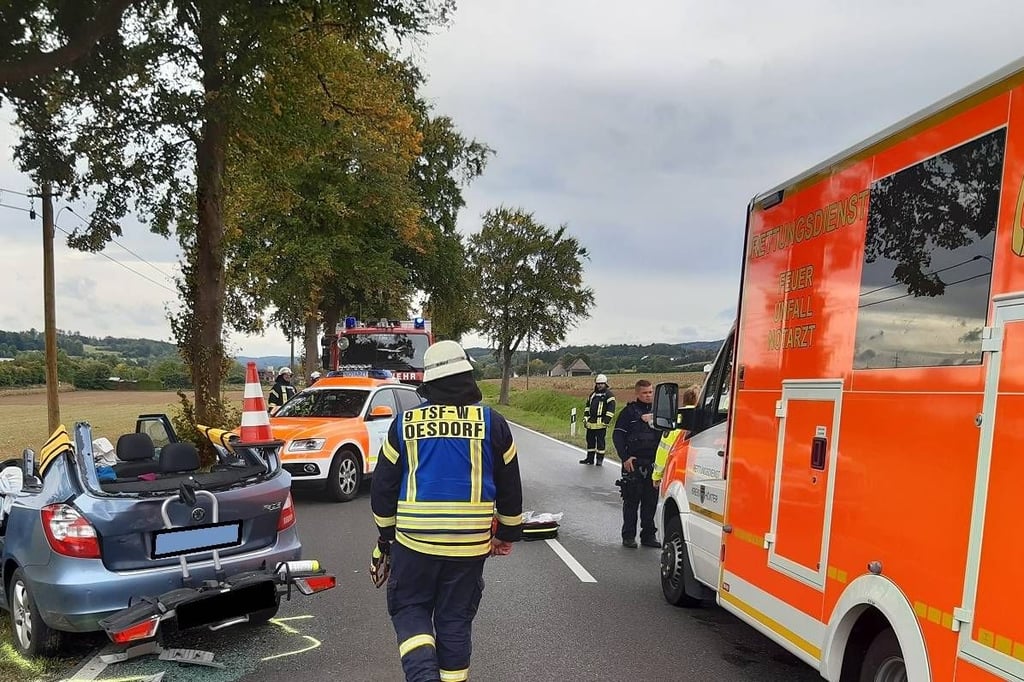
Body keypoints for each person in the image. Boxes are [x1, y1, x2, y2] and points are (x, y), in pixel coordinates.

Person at [370, 340, 523, 682]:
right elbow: (511, 487)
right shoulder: (492, 423)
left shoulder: (404, 424)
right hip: (469, 547)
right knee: (454, 619)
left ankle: (424, 677)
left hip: (414, 545)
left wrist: (386, 537)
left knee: (411, 609)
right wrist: (506, 533)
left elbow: (383, 489)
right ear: (468, 377)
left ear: (429, 382)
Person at [612, 379, 661, 548]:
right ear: (637, 393)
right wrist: (624, 458)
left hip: (653, 464)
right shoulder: (628, 413)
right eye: (645, 393)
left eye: (650, 392)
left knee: (651, 502)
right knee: (631, 501)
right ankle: (628, 536)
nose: (648, 396)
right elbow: (617, 436)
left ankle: (648, 536)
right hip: (633, 463)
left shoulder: (659, 413)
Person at [652, 384, 701, 487]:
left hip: (678, 476)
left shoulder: (675, 420)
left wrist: (657, 475)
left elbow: (663, 451)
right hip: (699, 475)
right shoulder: (707, 418)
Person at [579, 374, 615, 466]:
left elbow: (611, 410)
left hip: (601, 423)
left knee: (600, 442)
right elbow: (587, 407)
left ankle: (599, 460)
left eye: (602, 384)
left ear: (605, 384)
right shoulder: (592, 395)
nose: (600, 385)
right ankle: (590, 459)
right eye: (598, 383)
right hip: (591, 423)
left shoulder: (609, 395)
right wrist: (585, 418)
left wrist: (606, 421)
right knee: (590, 441)